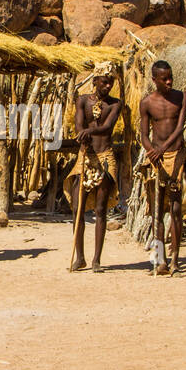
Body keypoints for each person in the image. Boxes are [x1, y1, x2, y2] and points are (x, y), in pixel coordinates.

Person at [65, 60, 122, 273]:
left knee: (100, 209)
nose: (108, 87)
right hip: (85, 157)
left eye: (111, 83)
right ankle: (80, 257)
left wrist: (90, 132)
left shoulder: (116, 104)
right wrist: (82, 132)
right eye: (105, 82)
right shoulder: (82, 101)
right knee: (77, 208)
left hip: (105, 157)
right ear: (96, 80)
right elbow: (79, 124)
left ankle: (96, 260)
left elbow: (107, 128)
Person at [137, 60, 186, 276]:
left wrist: (164, 149)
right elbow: (143, 134)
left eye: (170, 77)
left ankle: (176, 259)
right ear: (154, 80)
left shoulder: (181, 97)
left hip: (176, 155)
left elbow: (180, 127)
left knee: (176, 209)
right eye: (164, 79)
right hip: (156, 159)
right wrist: (152, 151)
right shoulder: (147, 102)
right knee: (157, 211)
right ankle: (160, 260)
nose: (169, 82)